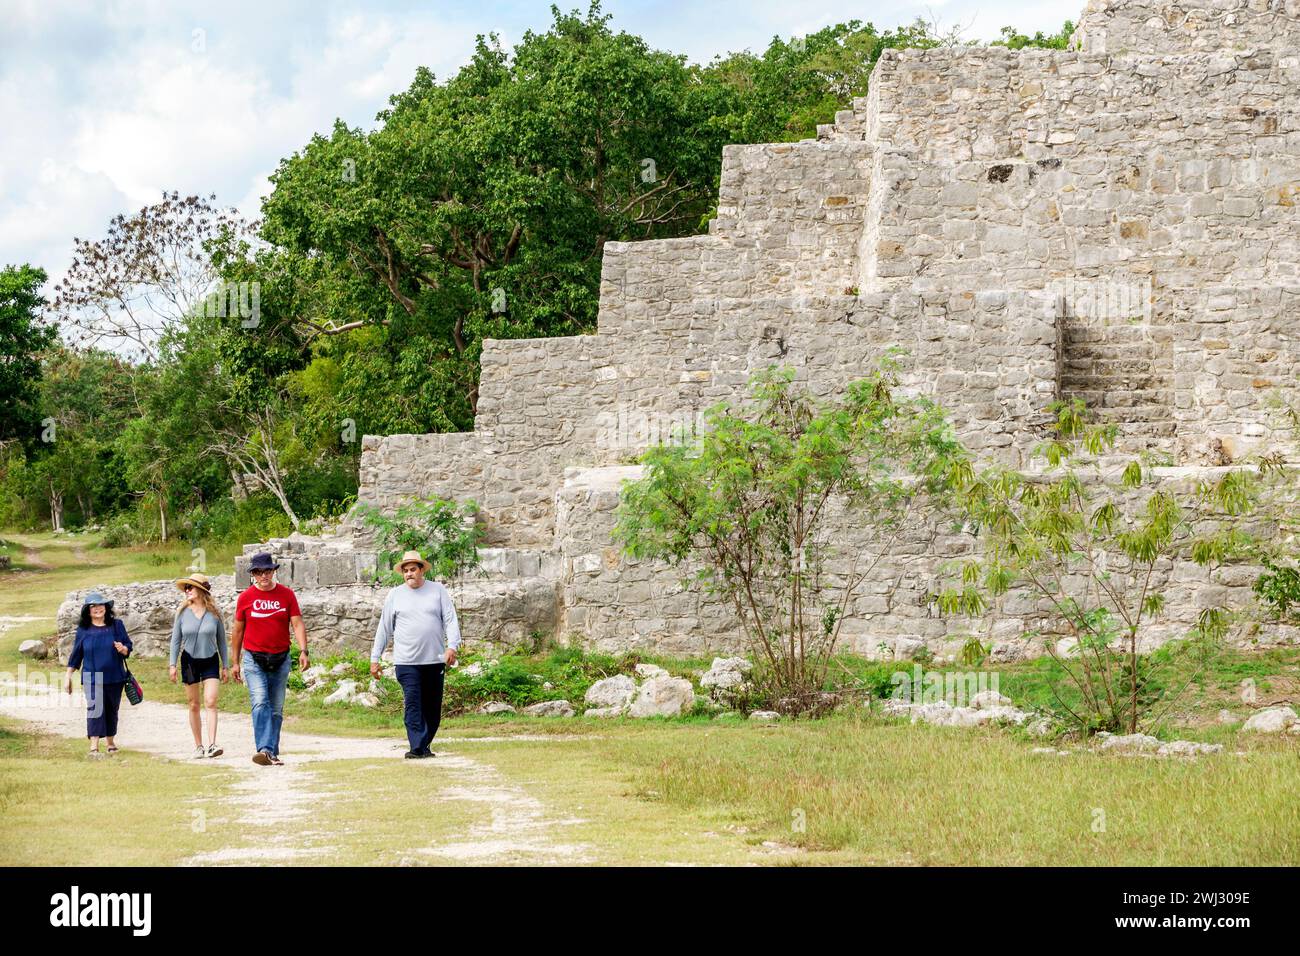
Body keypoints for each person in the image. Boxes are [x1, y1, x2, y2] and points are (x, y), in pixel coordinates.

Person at [370, 550, 461, 759]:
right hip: (406, 661)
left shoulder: (437, 590)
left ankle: (425, 744)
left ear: (422, 571)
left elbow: (450, 619)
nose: (409, 574)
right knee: (413, 703)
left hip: (434, 660)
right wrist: (375, 658)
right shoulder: (395, 595)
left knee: (432, 707)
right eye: (405, 571)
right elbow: (384, 628)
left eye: (413, 569)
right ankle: (416, 748)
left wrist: (452, 646)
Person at [231, 552, 309, 766]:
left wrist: (304, 650)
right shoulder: (245, 598)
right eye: (258, 572)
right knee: (260, 702)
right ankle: (264, 749)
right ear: (253, 574)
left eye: (267, 571)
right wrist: (235, 662)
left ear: (274, 571)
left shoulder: (287, 595)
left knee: (276, 708)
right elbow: (237, 631)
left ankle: (271, 752)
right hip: (254, 658)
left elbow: (297, 623)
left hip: (280, 657)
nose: (263, 575)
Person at [64, 591, 133, 759]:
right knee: (95, 709)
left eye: (100, 605)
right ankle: (94, 746)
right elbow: (76, 655)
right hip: (92, 677)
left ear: (106, 607)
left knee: (111, 709)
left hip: (115, 676)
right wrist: (68, 676)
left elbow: (128, 646)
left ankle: (110, 743)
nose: (97, 609)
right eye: (93, 606)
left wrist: (123, 649)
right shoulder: (84, 630)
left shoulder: (117, 625)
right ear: (88, 611)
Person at [169, 572, 229, 758]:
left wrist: (225, 665)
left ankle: (212, 744)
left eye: (190, 587)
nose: (187, 591)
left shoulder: (215, 613)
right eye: (186, 588)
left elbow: (222, 641)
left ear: (201, 590)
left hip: (210, 659)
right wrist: (172, 665)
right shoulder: (182, 613)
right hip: (189, 661)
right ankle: (198, 745)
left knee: (210, 701)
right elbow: (175, 641)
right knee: (194, 704)